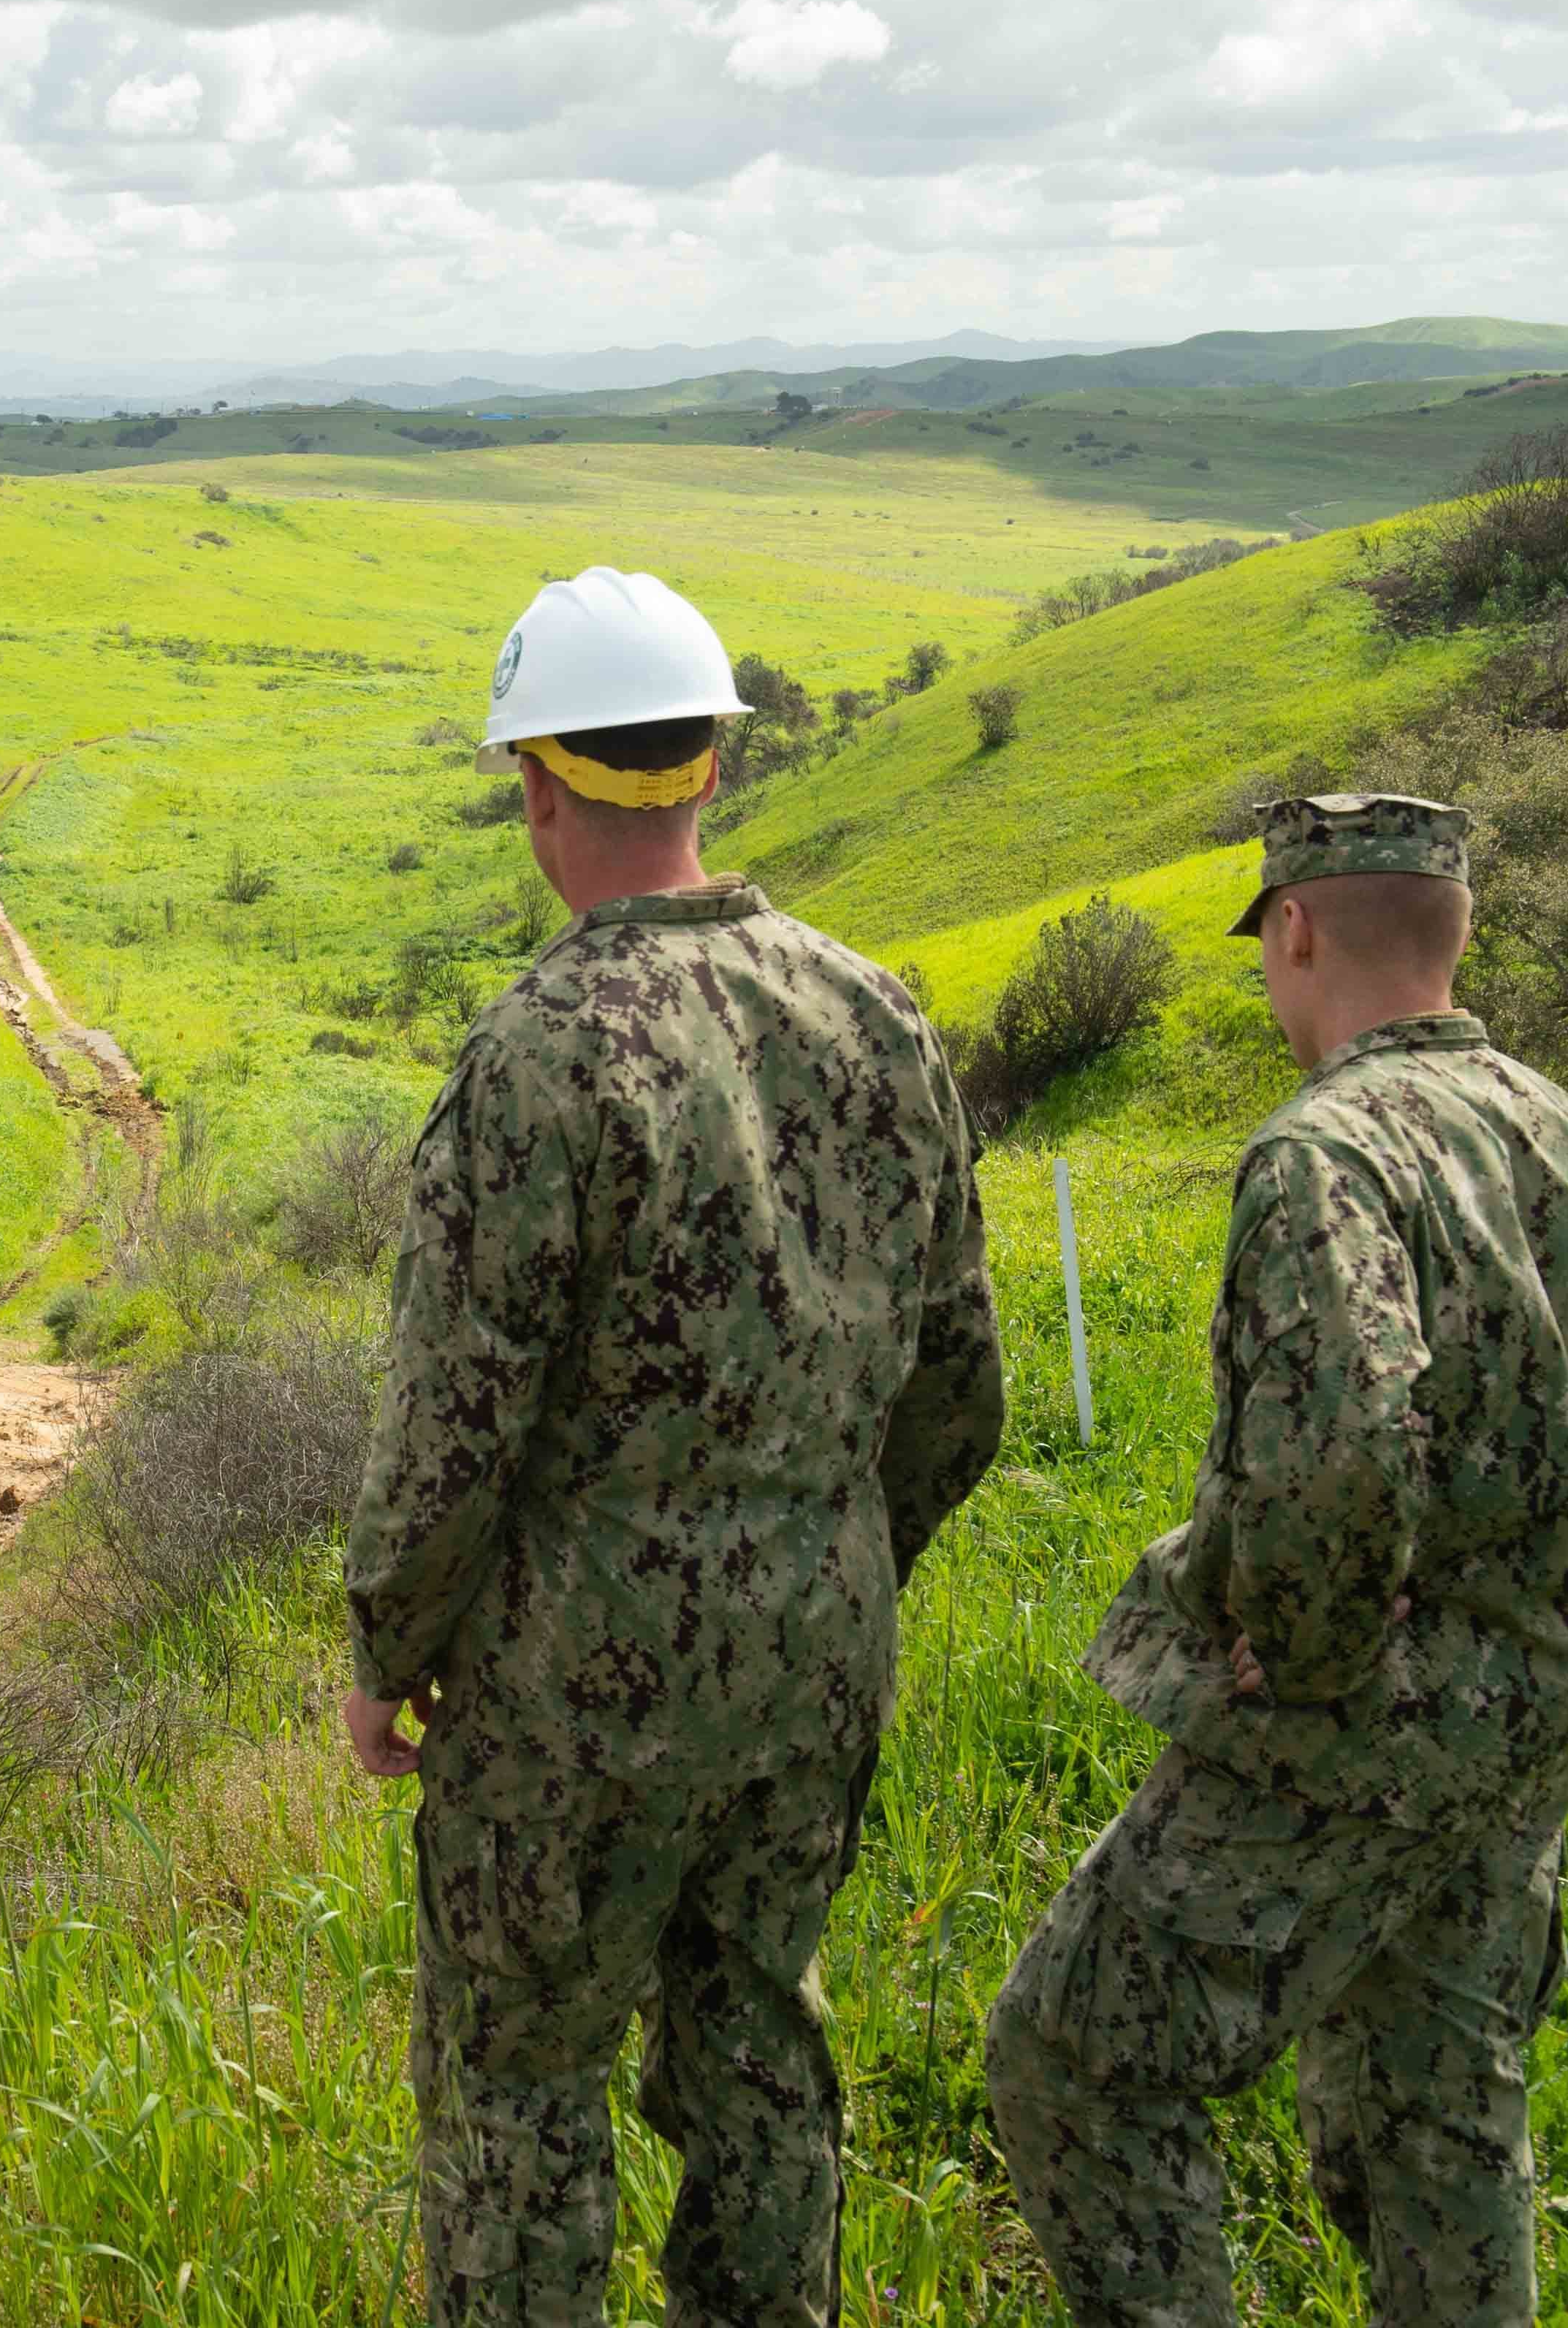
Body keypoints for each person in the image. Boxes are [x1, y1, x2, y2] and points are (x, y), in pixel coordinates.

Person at [983, 794, 1568, 2328]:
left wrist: (1302, 1646)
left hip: (1355, 1721)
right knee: (1436, 2119)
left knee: (1078, 2057)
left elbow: (1346, 1437)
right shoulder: (1567, 1128)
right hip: (1518, 1704)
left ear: (1291, 930)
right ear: (1456, 935)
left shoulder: (1325, 1151)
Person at [343, 566, 1005, 2326]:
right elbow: (961, 1385)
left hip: (580, 1684)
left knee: (518, 2090)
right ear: (716, 765)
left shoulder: (541, 1051)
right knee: (761, 2053)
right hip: (817, 1652)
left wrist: (387, 1649)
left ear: (538, 787)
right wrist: (828, 1561)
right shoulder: (879, 1015)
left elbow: (452, 1426)